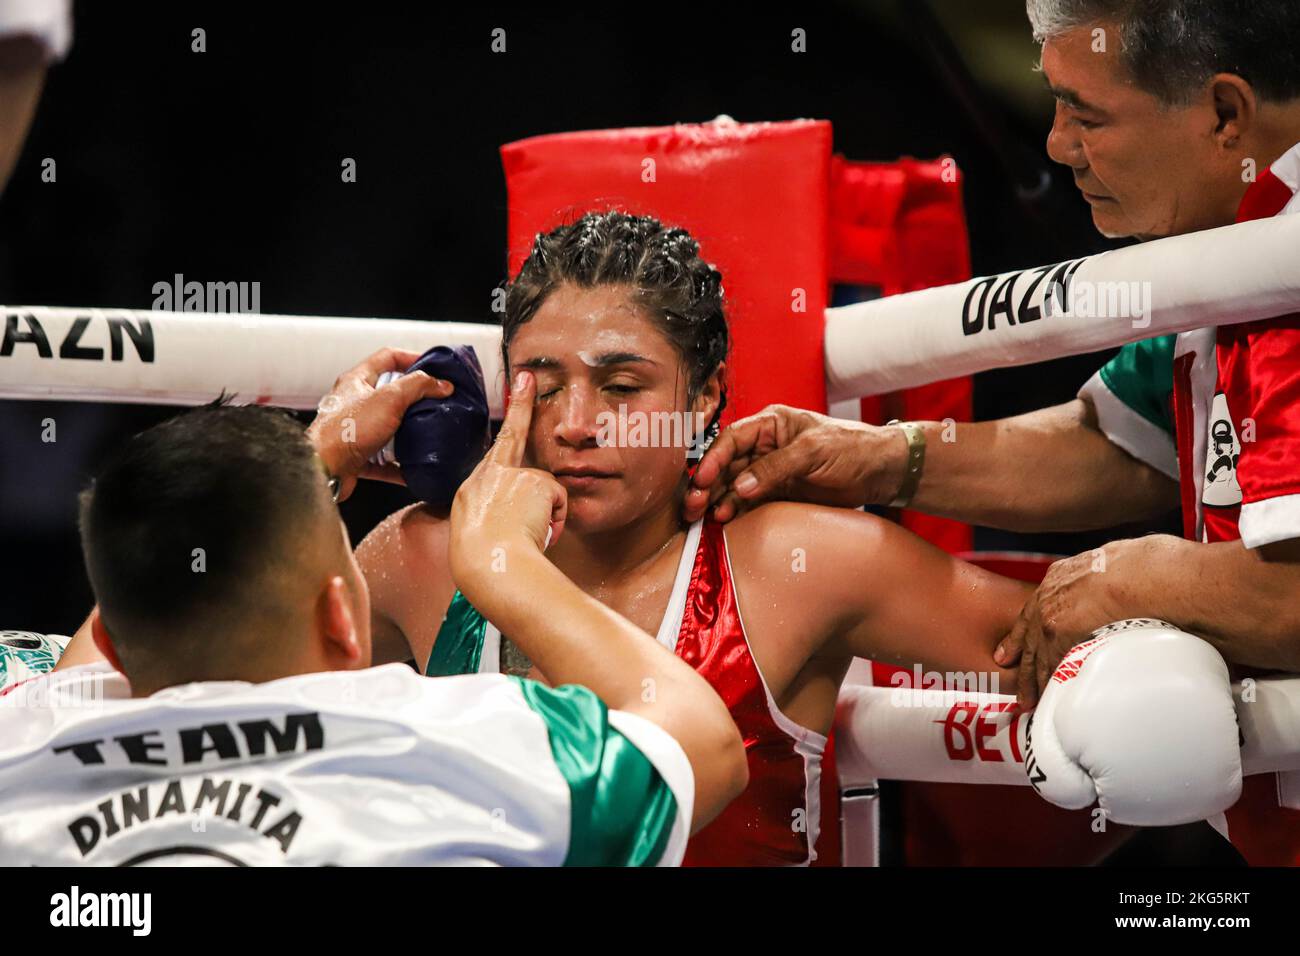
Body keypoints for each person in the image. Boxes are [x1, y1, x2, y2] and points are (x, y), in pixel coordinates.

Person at [683, 0, 1300, 863]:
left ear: (1225, 114)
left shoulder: (1284, 263)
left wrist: (1133, 577)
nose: (1055, 144)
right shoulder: (1231, 248)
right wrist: (878, 459)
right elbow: (1118, 444)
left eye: (1086, 113)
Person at [359, 211, 1043, 866]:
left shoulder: (798, 564)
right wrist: (323, 465)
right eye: (544, 386)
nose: (576, 424)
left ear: (703, 397)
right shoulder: (422, 558)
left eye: (621, 386)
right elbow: (257, 707)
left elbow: (1060, 638)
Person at [0, 348, 747, 865]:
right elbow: (698, 741)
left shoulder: (21, 742)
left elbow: (100, 648)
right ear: (341, 617)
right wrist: (500, 556)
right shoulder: (450, 745)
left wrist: (302, 465)